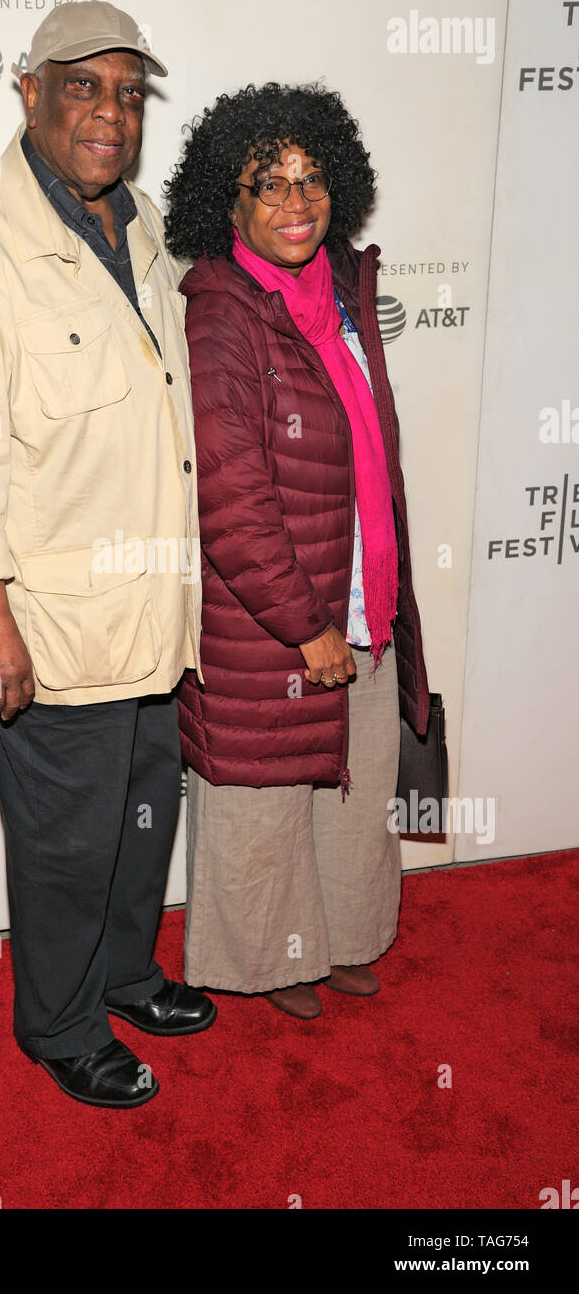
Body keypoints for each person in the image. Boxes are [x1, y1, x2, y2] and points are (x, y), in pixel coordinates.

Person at [0, 1, 215, 1109]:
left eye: (128, 93)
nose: (110, 112)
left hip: (152, 610)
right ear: (27, 92)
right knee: (65, 847)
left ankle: (125, 974)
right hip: (50, 620)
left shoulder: (148, 228)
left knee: (140, 823)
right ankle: (61, 1024)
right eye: (83, 86)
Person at [163, 82, 429, 1019]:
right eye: (267, 184)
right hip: (271, 612)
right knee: (264, 801)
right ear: (225, 202)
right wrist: (303, 622)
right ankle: (275, 961)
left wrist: (367, 599)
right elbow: (229, 491)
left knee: (355, 786)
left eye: (310, 179)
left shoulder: (346, 292)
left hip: (362, 583)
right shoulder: (221, 309)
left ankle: (344, 939)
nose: (294, 202)